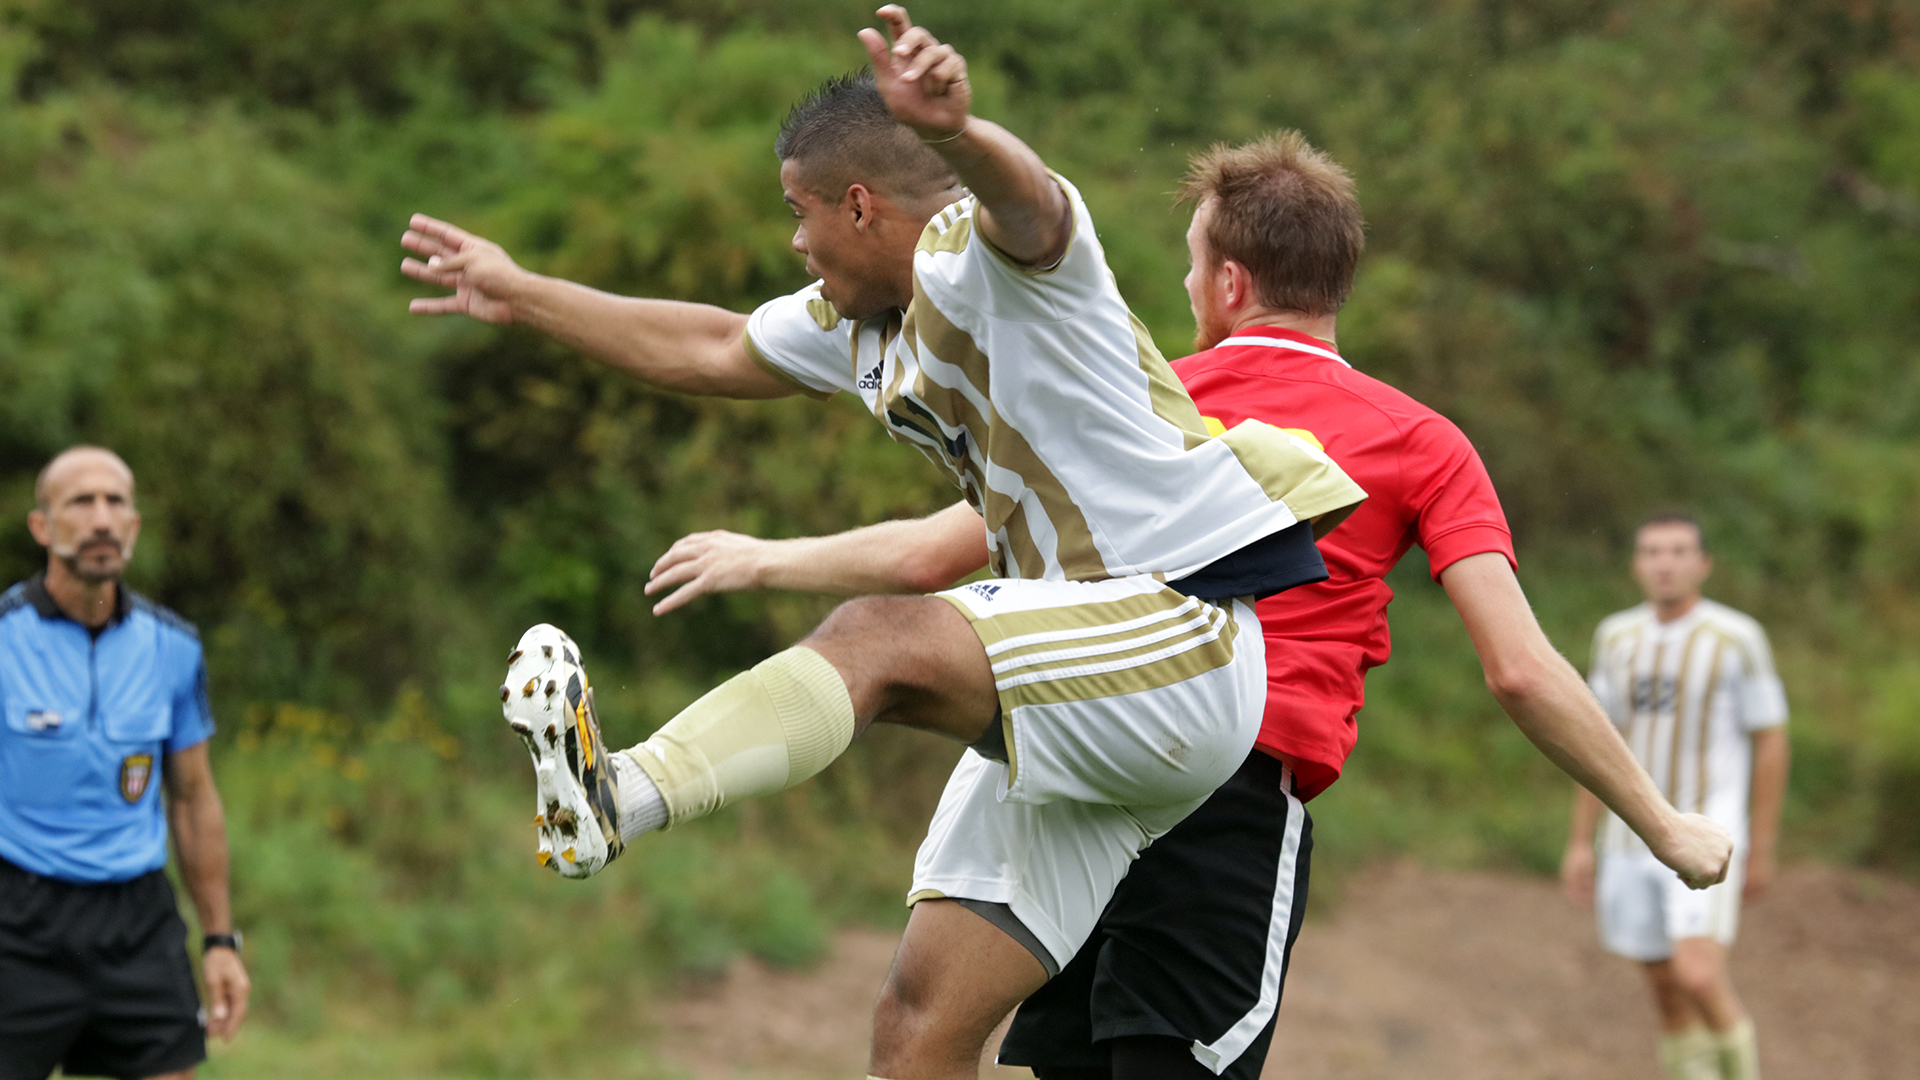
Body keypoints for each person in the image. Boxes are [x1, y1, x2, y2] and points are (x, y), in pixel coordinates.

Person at [642, 132, 1739, 1080]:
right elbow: (1519, 668)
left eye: (1189, 264)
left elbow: (936, 553)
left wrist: (767, 557)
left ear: (1228, 284)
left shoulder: (1142, 399)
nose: (1184, 285)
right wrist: (1665, 825)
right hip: (1231, 783)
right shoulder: (1423, 442)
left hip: (1080, 755)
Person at [406, 10, 1373, 1078]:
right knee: (915, 1030)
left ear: (860, 205)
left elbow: (1032, 201)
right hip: (1080, 684)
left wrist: (958, 133)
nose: (796, 244)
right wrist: (520, 293)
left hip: (1179, 638)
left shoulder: (990, 259)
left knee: (878, 640)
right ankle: (615, 802)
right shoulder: (857, 322)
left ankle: (619, 796)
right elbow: (713, 345)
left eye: (801, 214)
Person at [0, 447, 250, 1080]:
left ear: (134, 526)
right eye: (81, 502)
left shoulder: (174, 648)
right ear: (41, 526)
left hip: (138, 923)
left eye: (116, 503)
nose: (101, 519)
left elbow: (192, 797)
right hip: (18, 920)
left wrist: (220, 941)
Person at [1560, 513, 1787, 1080]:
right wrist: (1580, 841)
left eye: (1679, 551)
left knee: (1699, 976)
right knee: (1664, 985)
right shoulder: (1615, 637)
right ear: (1636, 565)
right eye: (1653, 551)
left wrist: (1762, 844)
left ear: (1704, 564)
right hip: (1628, 837)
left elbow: (1771, 737)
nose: (1666, 563)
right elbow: (1594, 741)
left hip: (1709, 832)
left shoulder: (1736, 637)